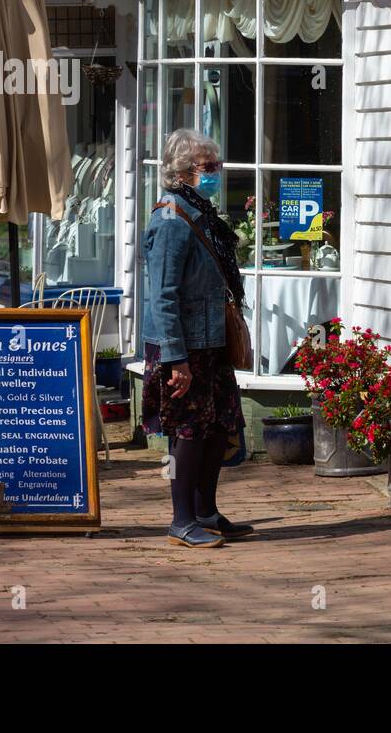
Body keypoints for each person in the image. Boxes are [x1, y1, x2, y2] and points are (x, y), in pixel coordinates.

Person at [141, 128, 255, 548]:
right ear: (183, 171)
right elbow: (163, 295)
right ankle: (181, 520)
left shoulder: (198, 209)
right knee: (187, 433)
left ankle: (205, 511)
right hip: (183, 347)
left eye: (216, 166)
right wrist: (175, 359)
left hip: (209, 341)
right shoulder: (170, 218)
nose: (216, 174)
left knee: (216, 428)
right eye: (208, 167)